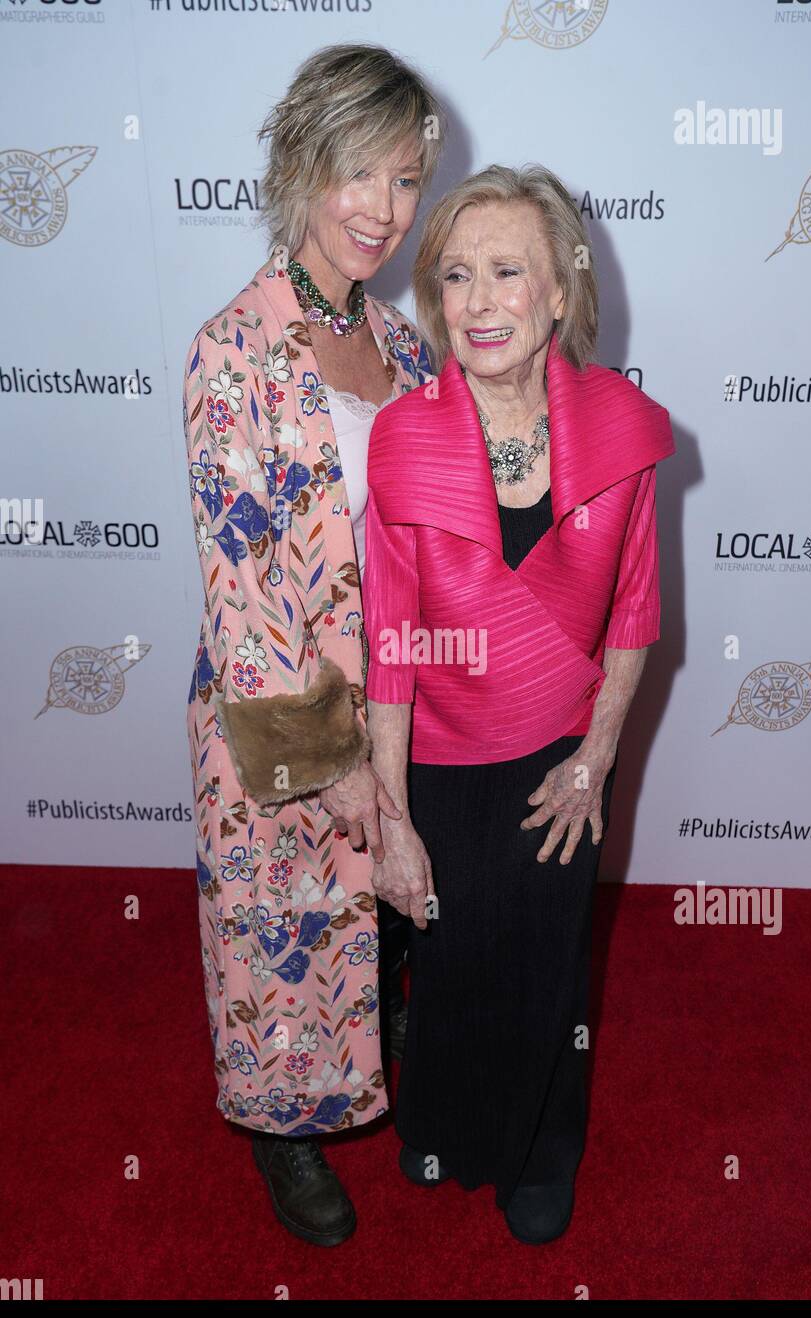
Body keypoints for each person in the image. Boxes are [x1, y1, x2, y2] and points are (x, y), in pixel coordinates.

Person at [363, 165, 676, 1244]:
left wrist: (594, 758)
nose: (481, 300)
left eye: (509, 272)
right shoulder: (403, 442)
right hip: (443, 758)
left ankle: (545, 1152)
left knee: (546, 961)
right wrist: (394, 821)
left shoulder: (624, 430)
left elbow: (635, 610)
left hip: (563, 748)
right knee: (450, 954)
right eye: (455, 275)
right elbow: (392, 649)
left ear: (559, 296)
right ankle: (445, 1120)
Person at [182, 44, 442, 1247]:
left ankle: (380, 1061)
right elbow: (244, 598)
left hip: (405, 691)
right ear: (302, 165)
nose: (382, 211)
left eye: (403, 180)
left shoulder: (406, 346)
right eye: (357, 173)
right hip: (281, 704)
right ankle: (283, 1132)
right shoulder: (234, 349)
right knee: (280, 930)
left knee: (375, 920)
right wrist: (329, 762)